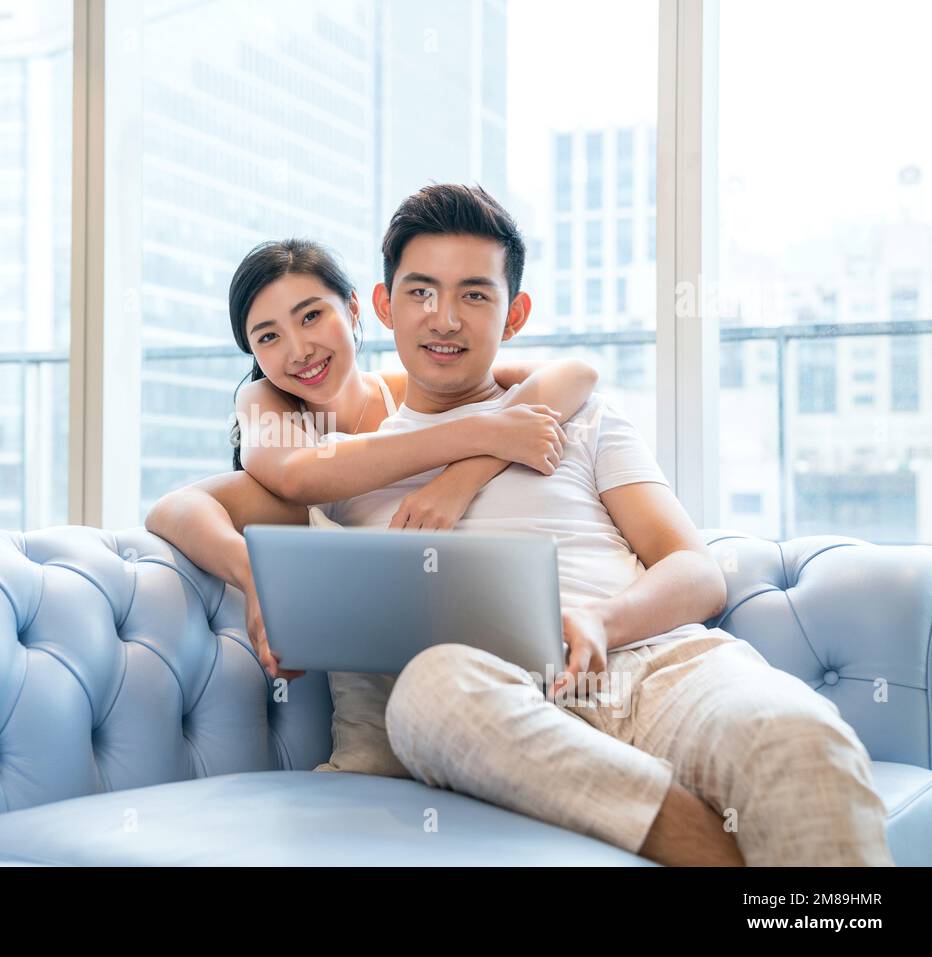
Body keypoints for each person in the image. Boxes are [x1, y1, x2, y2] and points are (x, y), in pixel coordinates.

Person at [146, 182, 895, 868]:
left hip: (657, 665)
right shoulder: (346, 464)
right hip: (497, 704)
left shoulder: (572, 413)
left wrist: (601, 619)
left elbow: (695, 571)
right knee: (428, 696)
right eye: (421, 292)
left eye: (474, 294)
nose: (444, 317)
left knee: (798, 736)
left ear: (514, 312)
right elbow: (183, 505)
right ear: (383, 305)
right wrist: (256, 582)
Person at [151, 238, 601, 679]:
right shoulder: (268, 409)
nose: (299, 350)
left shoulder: (411, 391)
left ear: (353, 308)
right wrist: (254, 576)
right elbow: (276, 481)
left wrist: (461, 479)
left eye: (311, 316)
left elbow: (577, 375)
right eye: (268, 337)